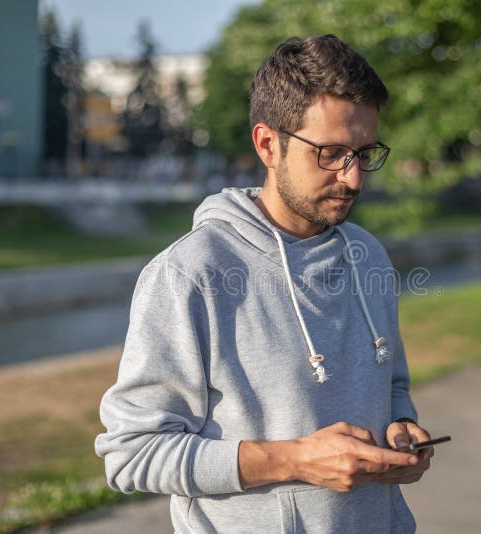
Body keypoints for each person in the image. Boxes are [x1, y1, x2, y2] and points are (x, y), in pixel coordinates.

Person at [95, 34, 435, 533]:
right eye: (332, 152)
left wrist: (401, 428)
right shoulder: (190, 275)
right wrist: (294, 460)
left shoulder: (369, 257)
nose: (354, 177)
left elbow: (393, 384)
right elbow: (132, 454)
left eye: (365, 153)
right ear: (268, 144)